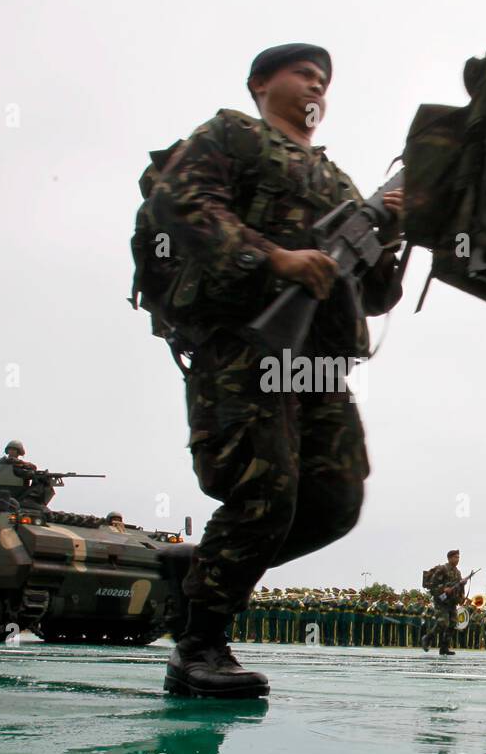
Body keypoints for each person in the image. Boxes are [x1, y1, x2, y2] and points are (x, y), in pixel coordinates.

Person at [148, 43, 404, 698]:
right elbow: (183, 204)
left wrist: (391, 228)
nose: (318, 80)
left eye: (326, 77)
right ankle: (199, 646)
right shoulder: (232, 134)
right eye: (303, 70)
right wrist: (277, 259)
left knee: (334, 500)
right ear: (261, 83)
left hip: (316, 358)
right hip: (244, 342)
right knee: (266, 490)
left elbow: (375, 294)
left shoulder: (337, 180)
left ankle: (200, 570)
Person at [0, 441, 56, 509]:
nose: (11, 452)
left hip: (12, 498)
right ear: (7, 451)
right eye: (10, 450)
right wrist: (31, 472)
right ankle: (29, 499)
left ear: (18, 452)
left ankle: (31, 500)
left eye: (14, 450)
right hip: (10, 495)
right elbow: (21, 471)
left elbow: (31, 467)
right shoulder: (9, 463)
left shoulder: (19, 464)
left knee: (41, 479)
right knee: (41, 480)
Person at [423, 550, 465, 656]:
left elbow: (459, 586)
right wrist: (444, 589)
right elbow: (432, 584)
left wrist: (462, 595)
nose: (457, 559)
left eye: (458, 557)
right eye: (455, 557)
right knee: (443, 623)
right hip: (441, 601)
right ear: (449, 558)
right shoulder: (442, 569)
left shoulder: (457, 572)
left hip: (452, 602)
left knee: (452, 624)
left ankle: (444, 648)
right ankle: (427, 638)